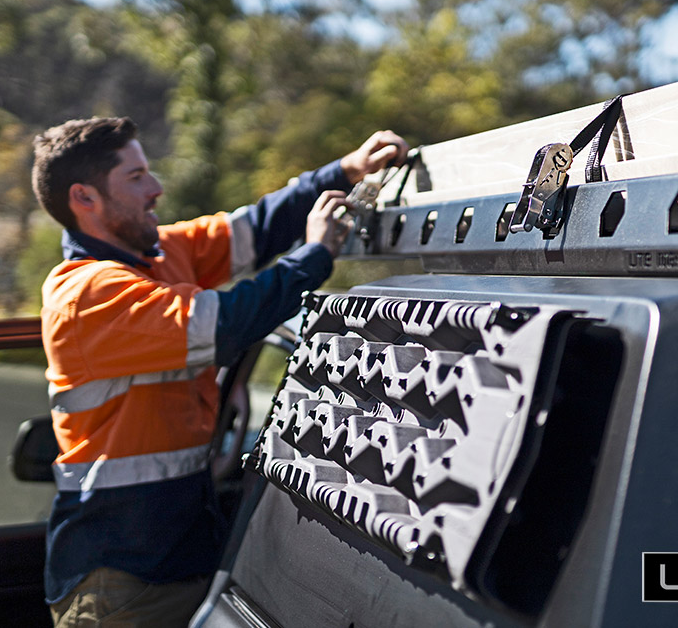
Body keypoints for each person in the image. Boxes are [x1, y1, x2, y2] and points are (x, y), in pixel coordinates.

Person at [30, 116, 407, 626]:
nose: (156, 188)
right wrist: (315, 256)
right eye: (136, 176)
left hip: (174, 557)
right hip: (120, 579)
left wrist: (344, 171)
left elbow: (255, 228)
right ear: (85, 198)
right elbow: (224, 325)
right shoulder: (87, 293)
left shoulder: (157, 254)